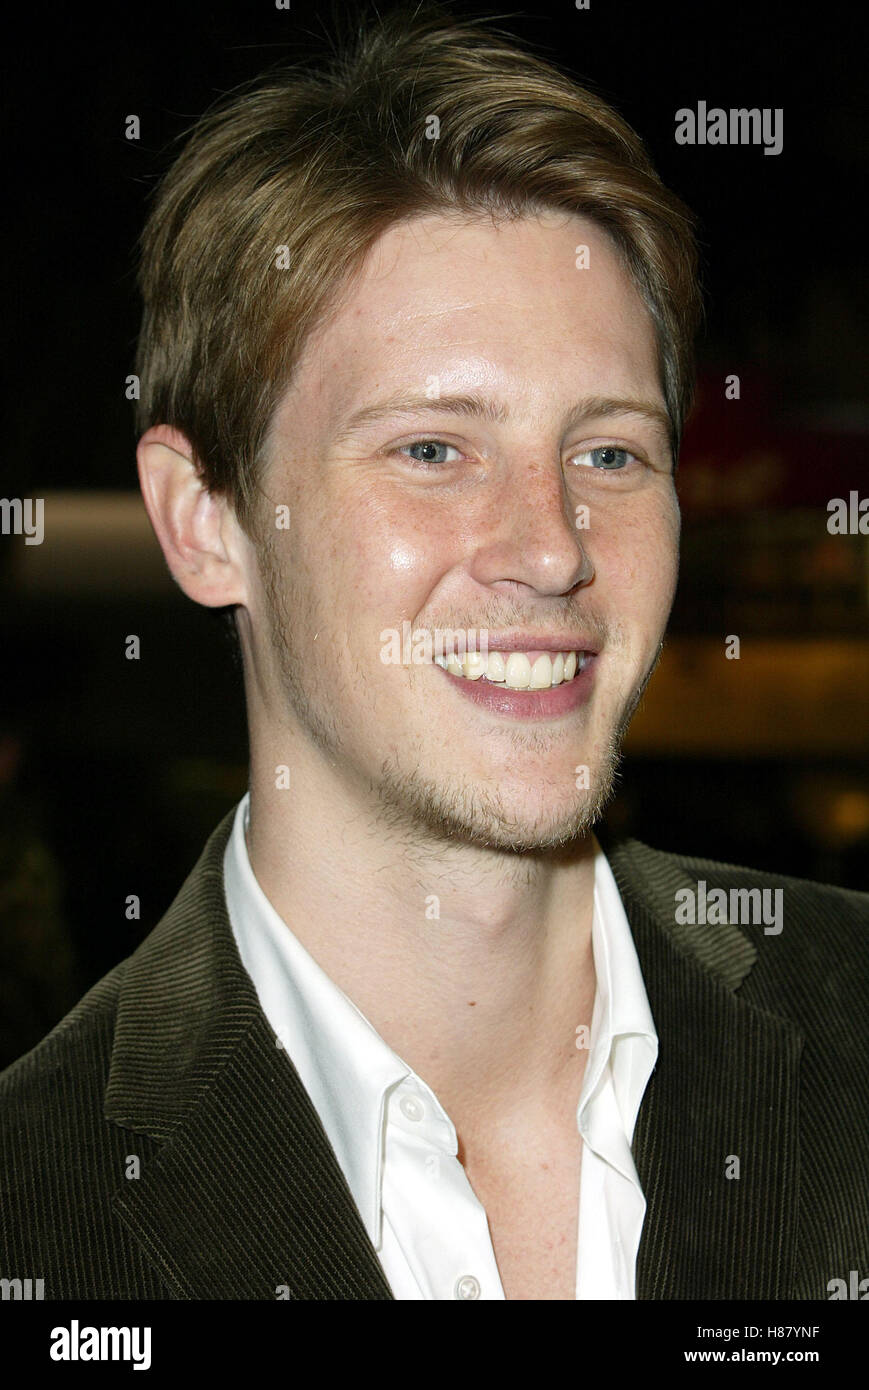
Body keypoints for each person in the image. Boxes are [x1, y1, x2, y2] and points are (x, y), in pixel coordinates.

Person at [1, 4, 866, 1302]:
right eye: (429, 449)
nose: (551, 545)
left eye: (609, 452)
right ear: (203, 520)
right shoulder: (38, 1206)